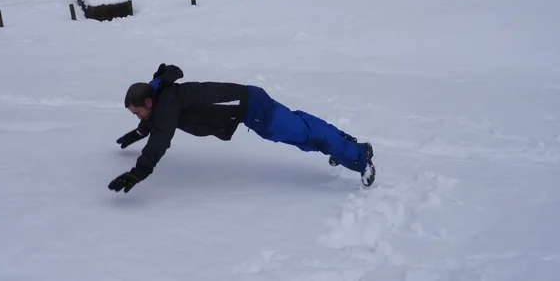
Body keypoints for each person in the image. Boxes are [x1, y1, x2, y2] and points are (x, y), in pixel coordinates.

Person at [108, 64, 375, 194]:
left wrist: (139, 172)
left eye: (137, 112)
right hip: (250, 103)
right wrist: (136, 135)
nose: (139, 117)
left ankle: (359, 156)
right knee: (300, 127)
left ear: (147, 101)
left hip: (253, 110)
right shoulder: (163, 96)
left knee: (301, 133)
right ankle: (340, 142)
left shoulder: (168, 103)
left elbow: (161, 136)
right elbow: (153, 124)